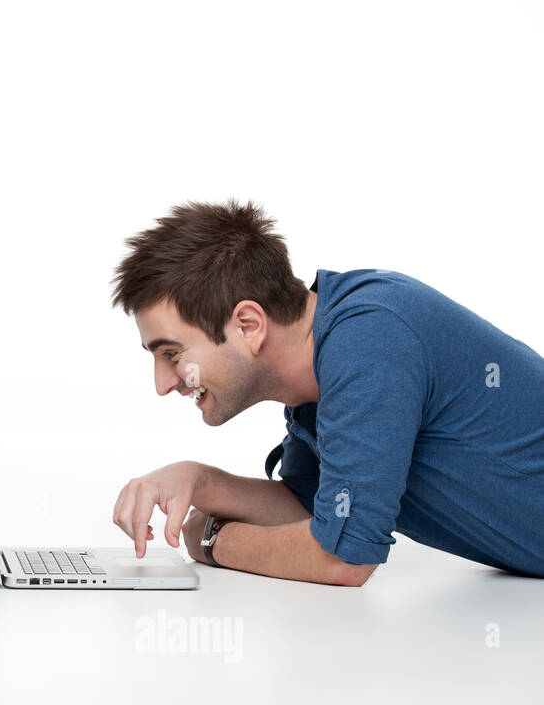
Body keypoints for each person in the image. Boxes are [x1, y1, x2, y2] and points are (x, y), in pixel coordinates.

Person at [110, 199, 544, 584]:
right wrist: (200, 481)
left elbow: (342, 555)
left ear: (249, 325)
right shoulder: (320, 376)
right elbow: (317, 511)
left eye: (171, 353)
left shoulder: (370, 338)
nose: (163, 384)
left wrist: (214, 540)